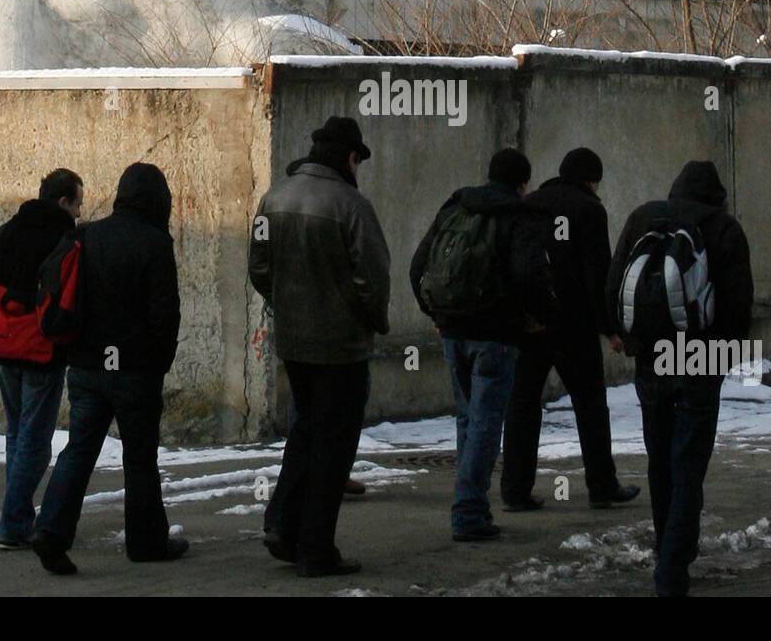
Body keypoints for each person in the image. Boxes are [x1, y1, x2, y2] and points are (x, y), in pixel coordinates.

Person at [248, 117, 391, 577]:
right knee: (332, 448)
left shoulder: (274, 198)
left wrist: (286, 303)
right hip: (341, 347)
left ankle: (283, 526)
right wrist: (369, 319)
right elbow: (373, 278)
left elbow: (259, 267)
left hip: (294, 342)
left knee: (305, 437)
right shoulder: (353, 205)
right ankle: (315, 549)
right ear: (350, 158)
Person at [31, 162, 185, 575]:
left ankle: (50, 530)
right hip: (135, 371)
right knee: (139, 458)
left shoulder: (86, 235)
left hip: (85, 368)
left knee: (79, 450)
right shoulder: (155, 243)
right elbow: (165, 315)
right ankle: (146, 542)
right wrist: (159, 363)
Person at [608, 160, 752, 597]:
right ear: (718, 195)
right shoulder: (725, 228)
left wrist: (623, 337)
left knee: (660, 459)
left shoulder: (644, 217)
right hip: (701, 360)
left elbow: (615, 280)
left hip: (651, 358)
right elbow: (736, 307)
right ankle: (672, 569)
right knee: (688, 465)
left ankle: (668, 548)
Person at [410, 147, 560, 541]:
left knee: (467, 418)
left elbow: (418, 265)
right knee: (486, 423)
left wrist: (436, 315)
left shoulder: (457, 205)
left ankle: (468, 503)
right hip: (496, 335)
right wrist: (542, 317)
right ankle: (470, 513)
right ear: (522, 183)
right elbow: (530, 275)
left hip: (453, 330)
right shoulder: (519, 214)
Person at [501, 148, 639, 511]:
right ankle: (601, 484)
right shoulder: (589, 210)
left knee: (523, 404)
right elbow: (599, 275)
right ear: (591, 180)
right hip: (574, 324)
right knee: (590, 404)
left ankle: (515, 490)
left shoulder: (530, 203)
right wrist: (610, 328)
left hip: (532, 322)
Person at [0, 168, 83, 551]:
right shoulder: (66, 239)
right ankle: (13, 523)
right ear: (63, 202)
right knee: (36, 440)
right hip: (42, 350)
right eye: (78, 204)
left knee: (16, 433)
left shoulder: (4, 232)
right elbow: (71, 300)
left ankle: (17, 519)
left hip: (5, 347)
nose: (80, 214)